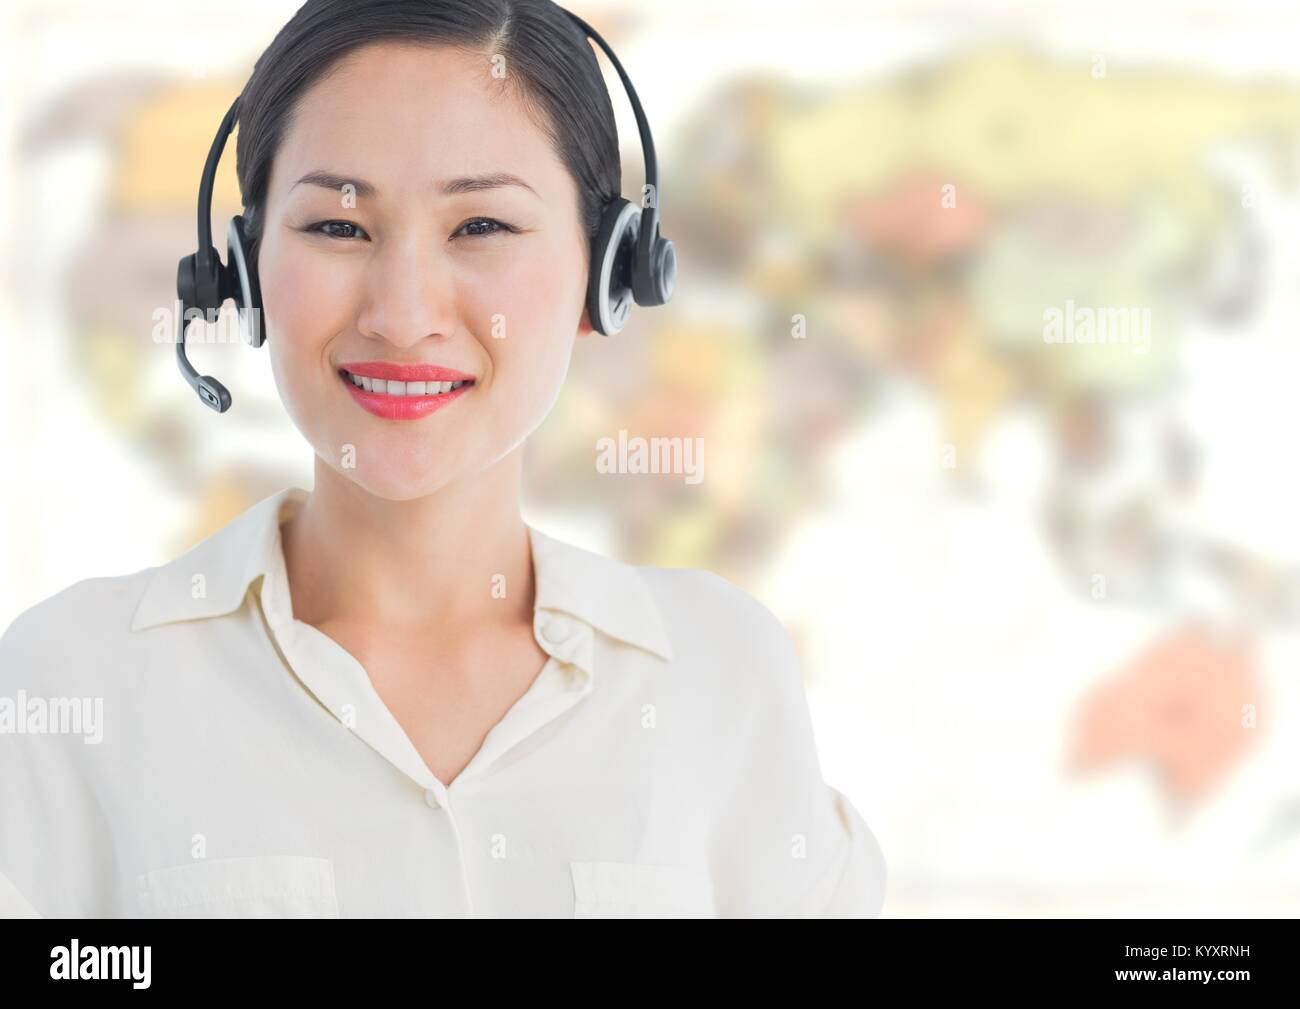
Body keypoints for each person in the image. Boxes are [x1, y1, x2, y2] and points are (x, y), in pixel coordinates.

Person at [0, 0, 885, 918]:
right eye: (337, 228)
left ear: (611, 271)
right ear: (241, 270)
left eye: (481, 227)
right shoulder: (72, 682)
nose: (403, 311)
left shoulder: (718, 677)